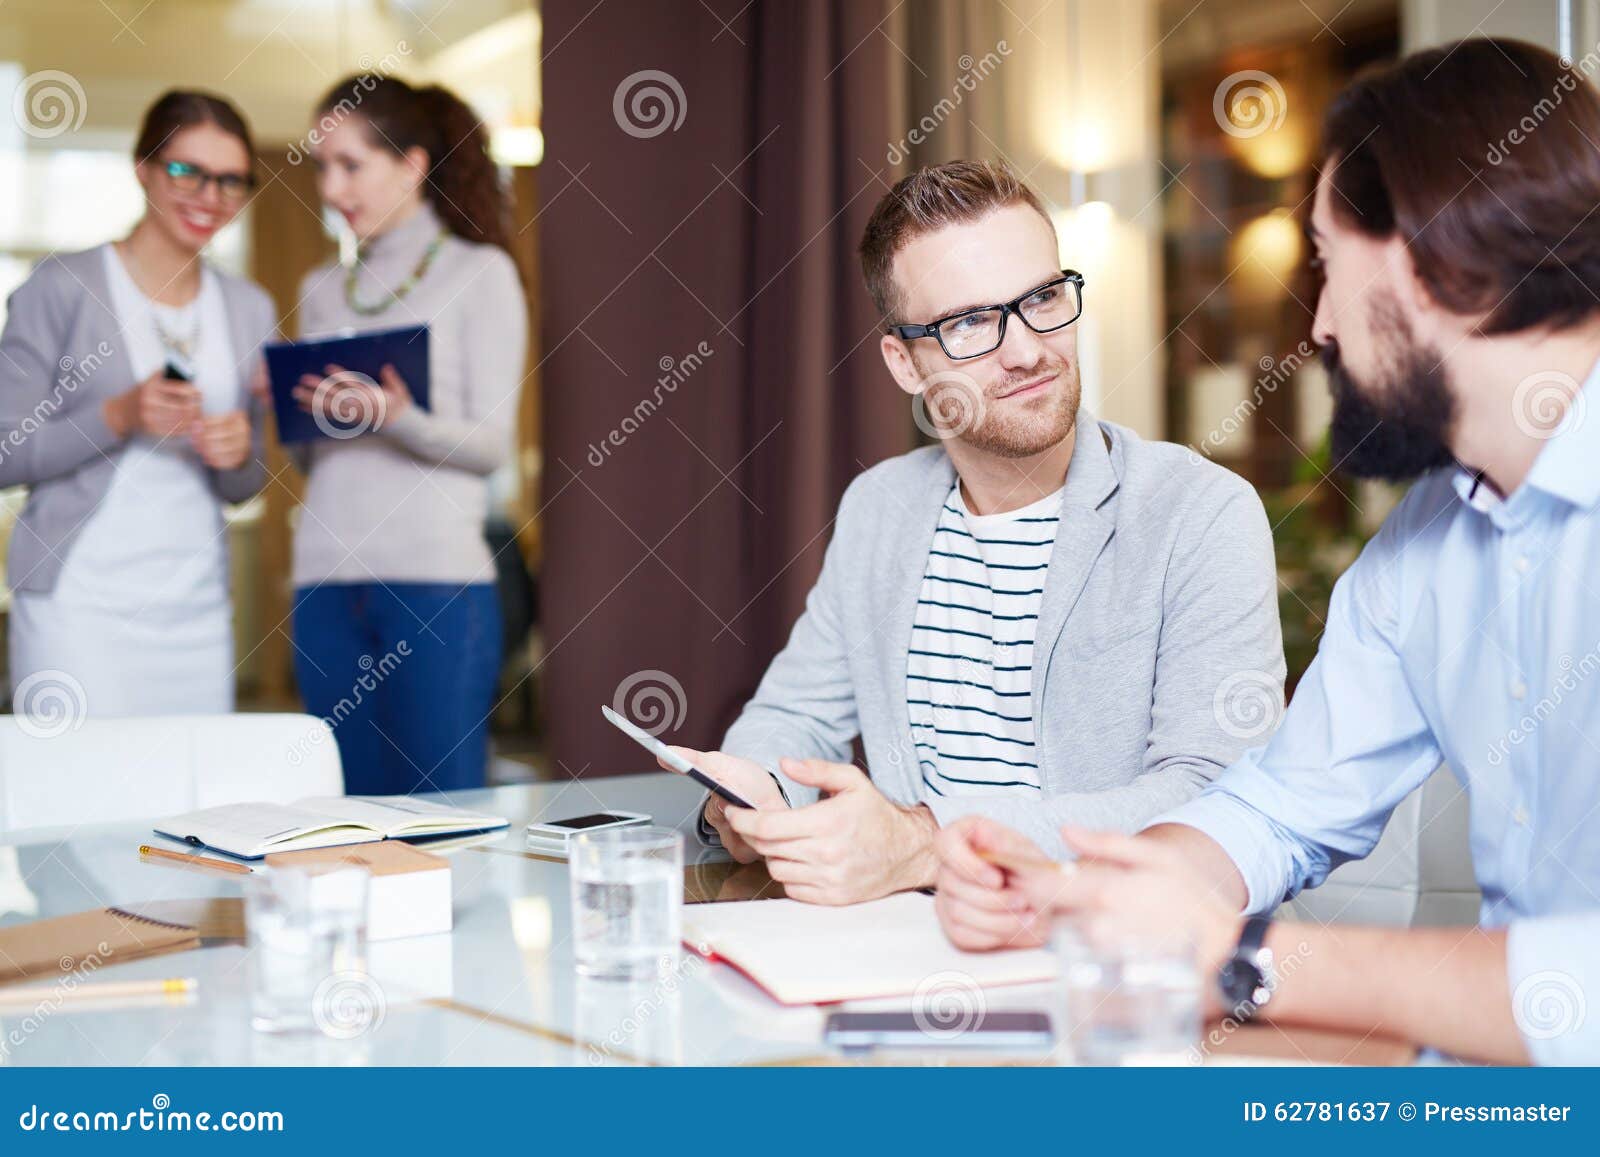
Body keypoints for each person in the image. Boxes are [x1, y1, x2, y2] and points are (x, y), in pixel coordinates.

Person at [933, 38, 1600, 1067]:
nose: (1320, 324)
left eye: (1330, 266)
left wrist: (1245, 956)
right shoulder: (1427, 543)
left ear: (1438, 265)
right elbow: (1284, 805)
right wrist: (1111, 892)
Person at [668, 160, 1284, 906]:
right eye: (968, 323)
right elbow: (795, 715)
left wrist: (923, 842)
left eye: (1044, 298)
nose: (1027, 350)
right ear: (904, 363)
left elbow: (1213, 796)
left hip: (1109, 951)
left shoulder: (1199, 512)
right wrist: (749, 792)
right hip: (905, 948)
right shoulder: (880, 508)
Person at [290, 76, 527, 795]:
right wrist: (293, 408)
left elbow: (492, 446)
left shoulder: (480, 274)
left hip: (437, 585)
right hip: (324, 581)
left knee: (442, 816)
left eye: (351, 165)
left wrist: (400, 419)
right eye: (322, 167)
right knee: (347, 812)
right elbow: (311, 460)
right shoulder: (318, 289)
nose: (332, 187)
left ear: (412, 165)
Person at [0, 90, 270, 716]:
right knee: (79, 803)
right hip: (77, 608)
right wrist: (117, 417)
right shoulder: (62, 286)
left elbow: (245, 485)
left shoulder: (249, 307)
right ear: (143, 167)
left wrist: (237, 455)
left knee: (192, 811)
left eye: (231, 181)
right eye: (186, 171)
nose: (210, 197)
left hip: (197, 611)